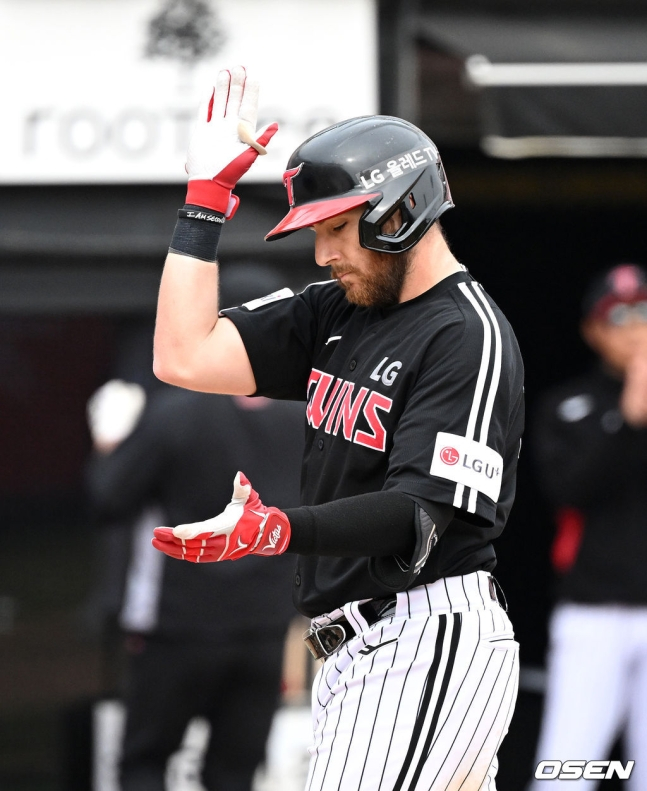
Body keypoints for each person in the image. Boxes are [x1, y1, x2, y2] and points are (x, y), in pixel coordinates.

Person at [151, 65, 525, 791]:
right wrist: (205, 201)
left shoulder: (465, 333)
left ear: (400, 209)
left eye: (336, 228)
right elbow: (182, 356)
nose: (322, 253)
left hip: (424, 636)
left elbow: (418, 514)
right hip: (358, 649)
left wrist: (275, 530)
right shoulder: (336, 310)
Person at [86, 264, 306, 791]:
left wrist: (108, 445)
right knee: (233, 774)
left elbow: (109, 498)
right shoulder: (306, 417)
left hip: (175, 627)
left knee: (144, 763)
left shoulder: (177, 414)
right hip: (265, 627)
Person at [528, 263, 647, 789]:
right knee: (566, 769)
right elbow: (565, 491)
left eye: (645, 312)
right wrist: (627, 422)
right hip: (592, 614)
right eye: (620, 316)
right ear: (593, 330)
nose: (636, 328)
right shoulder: (567, 406)